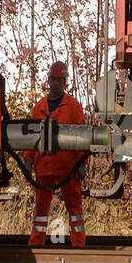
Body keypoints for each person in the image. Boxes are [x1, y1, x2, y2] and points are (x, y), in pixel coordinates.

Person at [25, 61, 86, 247]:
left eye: (60, 80)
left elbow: (82, 137)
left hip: (67, 169)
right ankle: (36, 246)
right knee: (40, 212)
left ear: (65, 82)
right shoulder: (39, 107)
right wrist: (28, 160)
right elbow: (31, 138)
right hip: (44, 168)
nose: (57, 83)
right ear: (48, 80)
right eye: (54, 79)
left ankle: (79, 246)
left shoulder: (74, 107)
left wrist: (81, 163)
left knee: (75, 211)